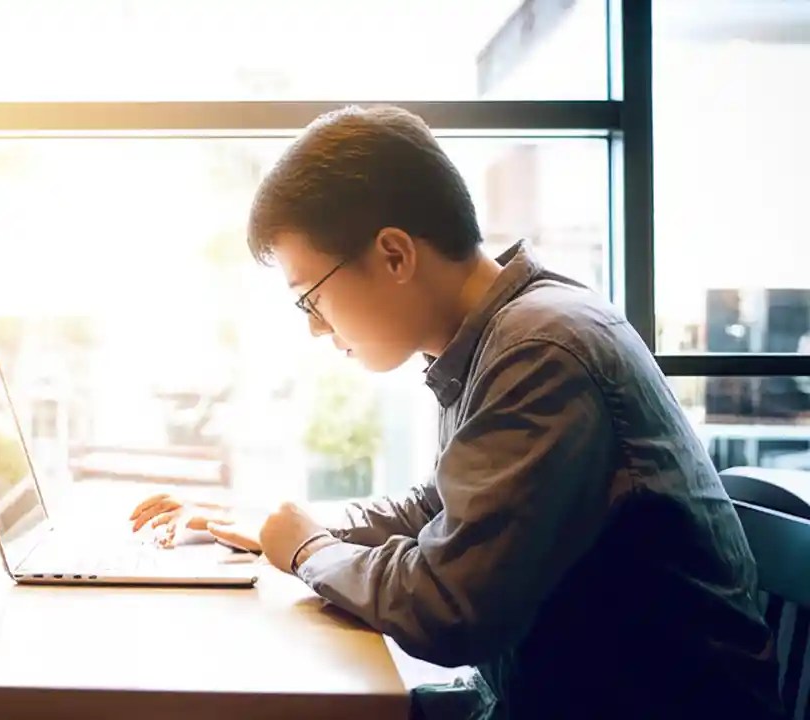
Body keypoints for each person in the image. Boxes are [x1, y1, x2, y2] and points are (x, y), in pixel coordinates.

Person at [129, 106, 784, 719]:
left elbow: (449, 607)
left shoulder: (539, 349)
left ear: (394, 255)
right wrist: (278, 525)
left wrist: (307, 550)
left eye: (311, 299)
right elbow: (440, 510)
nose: (315, 330)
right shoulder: (509, 330)